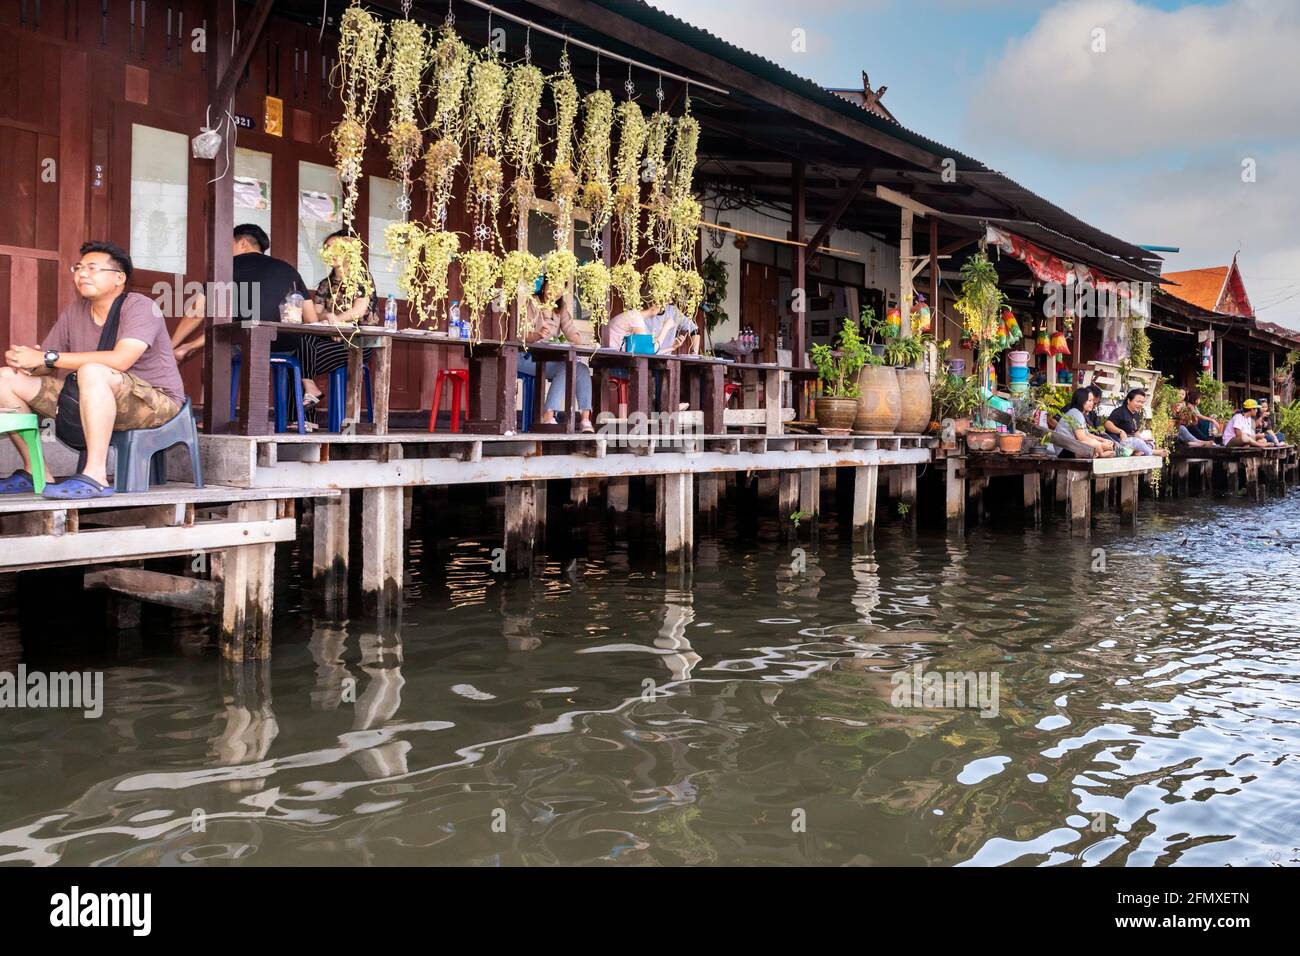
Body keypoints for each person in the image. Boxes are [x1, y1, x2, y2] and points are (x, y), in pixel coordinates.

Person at [0, 241, 185, 499]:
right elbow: (50, 363)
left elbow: (120, 360)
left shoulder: (141, 306)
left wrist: (47, 357)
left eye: (93, 268)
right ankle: (37, 471)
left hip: (156, 401)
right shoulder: (75, 311)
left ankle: (95, 476)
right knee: (5, 378)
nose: (82, 274)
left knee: (93, 370)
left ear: (119, 278)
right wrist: (28, 362)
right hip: (91, 393)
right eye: (78, 268)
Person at [501, 272, 594, 432]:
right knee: (566, 367)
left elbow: (570, 331)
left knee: (582, 369)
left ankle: (585, 420)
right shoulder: (533, 303)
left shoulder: (560, 308)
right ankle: (548, 415)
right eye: (553, 285)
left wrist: (583, 343)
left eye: (560, 287)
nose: (556, 291)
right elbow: (521, 336)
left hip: (549, 360)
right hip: (526, 357)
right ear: (544, 286)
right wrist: (538, 335)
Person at [302, 229, 376, 411]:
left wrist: (338, 323)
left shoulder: (362, 278)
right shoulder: (325, 284)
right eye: (327, 248)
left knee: (299, 358)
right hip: (329, 338)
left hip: (358, 342)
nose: (330, 252)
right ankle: (306, 413)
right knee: (301, 342)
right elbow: (315, 314)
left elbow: (359, 310)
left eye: (335, 247)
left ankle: (305, 410)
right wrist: (328, 318)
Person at [1054, 386, 1116, 458]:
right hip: (1065, 449)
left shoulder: (1077, 413)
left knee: (1101, 445)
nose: (1092, 403)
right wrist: (1100, 445)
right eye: (1089, 401)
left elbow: (1088, 435)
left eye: (1092, 401)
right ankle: (1100, 454)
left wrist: (1104, 440)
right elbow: (1082, 438)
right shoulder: (1076, 413)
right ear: (1081, 401)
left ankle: (1100, 452)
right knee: (1096, 444)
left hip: (1069, 448)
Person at [1106, 387, 1168, 456]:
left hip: (1131, 443)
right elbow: (1107, 424)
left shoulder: (1137, 415)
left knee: (1150, 441)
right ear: (1129, 400)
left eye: (1142, 402)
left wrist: (1143, 440)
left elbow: (1135, 432)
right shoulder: (1120, 411)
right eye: (1138, 401)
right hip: (1119, 442)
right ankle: (1152, 452)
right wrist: (1121, 431)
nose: (1140, 404)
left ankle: (1138, 451)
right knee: (1137, 442)